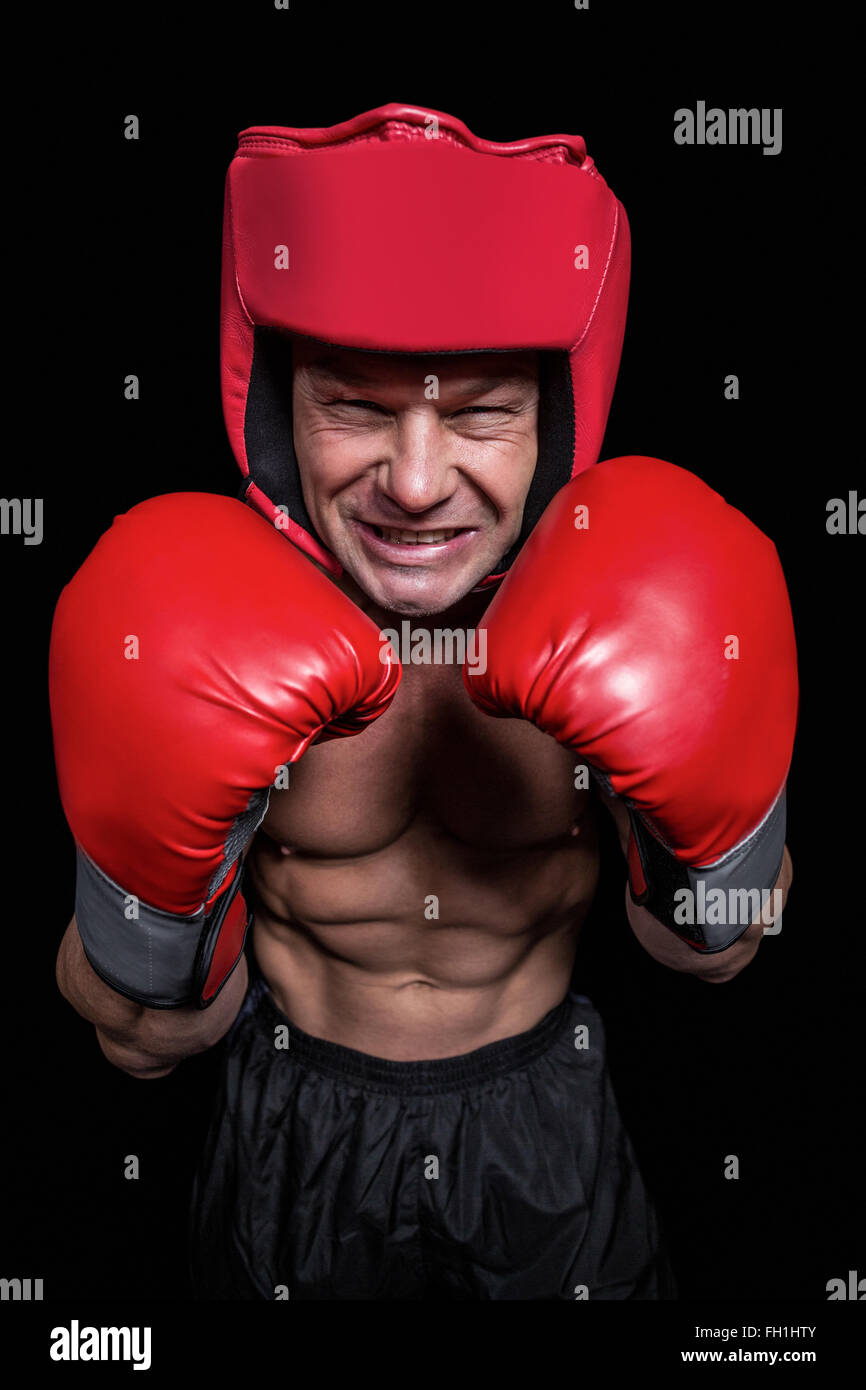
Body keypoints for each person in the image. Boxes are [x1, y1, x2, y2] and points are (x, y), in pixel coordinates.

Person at [51, 105, 797, 1300]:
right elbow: (137, 1043)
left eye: (479, 411)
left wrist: (714, 865)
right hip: (288, 1124)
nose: (410, 479)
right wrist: (149, 938)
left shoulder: (636, 591)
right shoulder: (189, 615)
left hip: (546, 1117)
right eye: (351, 403)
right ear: (276, 406)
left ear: (553, 414)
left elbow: (720, 956)